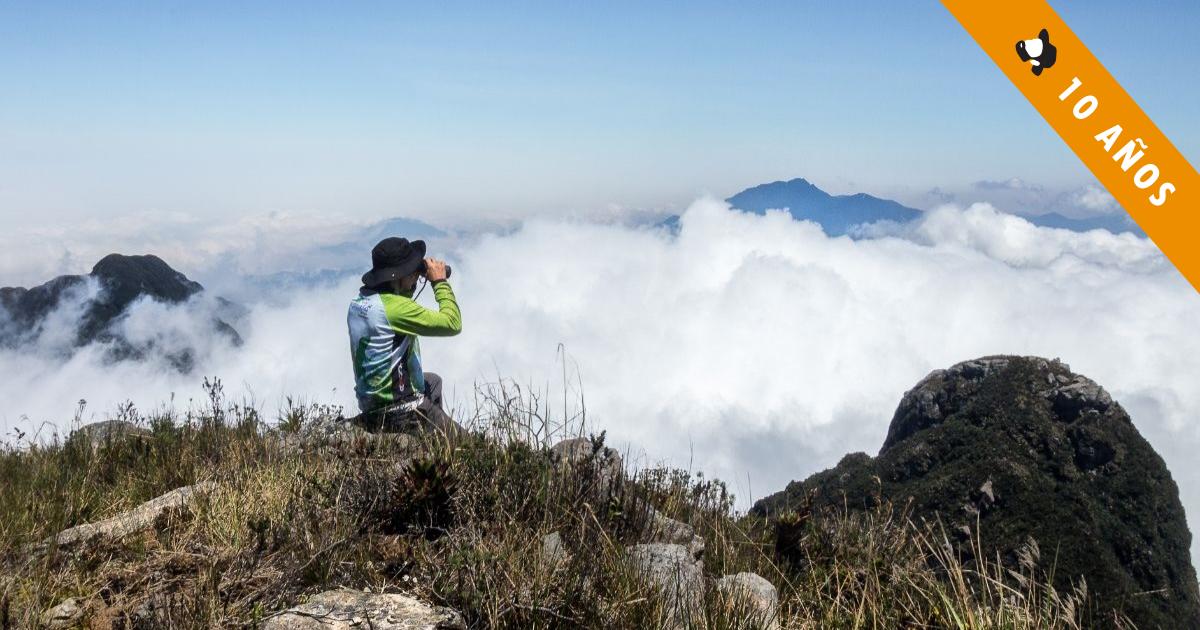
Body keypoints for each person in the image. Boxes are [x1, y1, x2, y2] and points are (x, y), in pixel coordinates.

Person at [347, 236, 463, 436]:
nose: (415, 276)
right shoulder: (396, 309)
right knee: (474, 449)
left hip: (371, 403)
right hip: (399, 409)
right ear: (396, 276)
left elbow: (396, 303)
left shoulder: (360, 302)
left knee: (433, 381)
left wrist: (407, 281)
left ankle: (431, 433)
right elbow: (452, 323)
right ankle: (430, 429)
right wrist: (440, 283)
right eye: (410, 272)